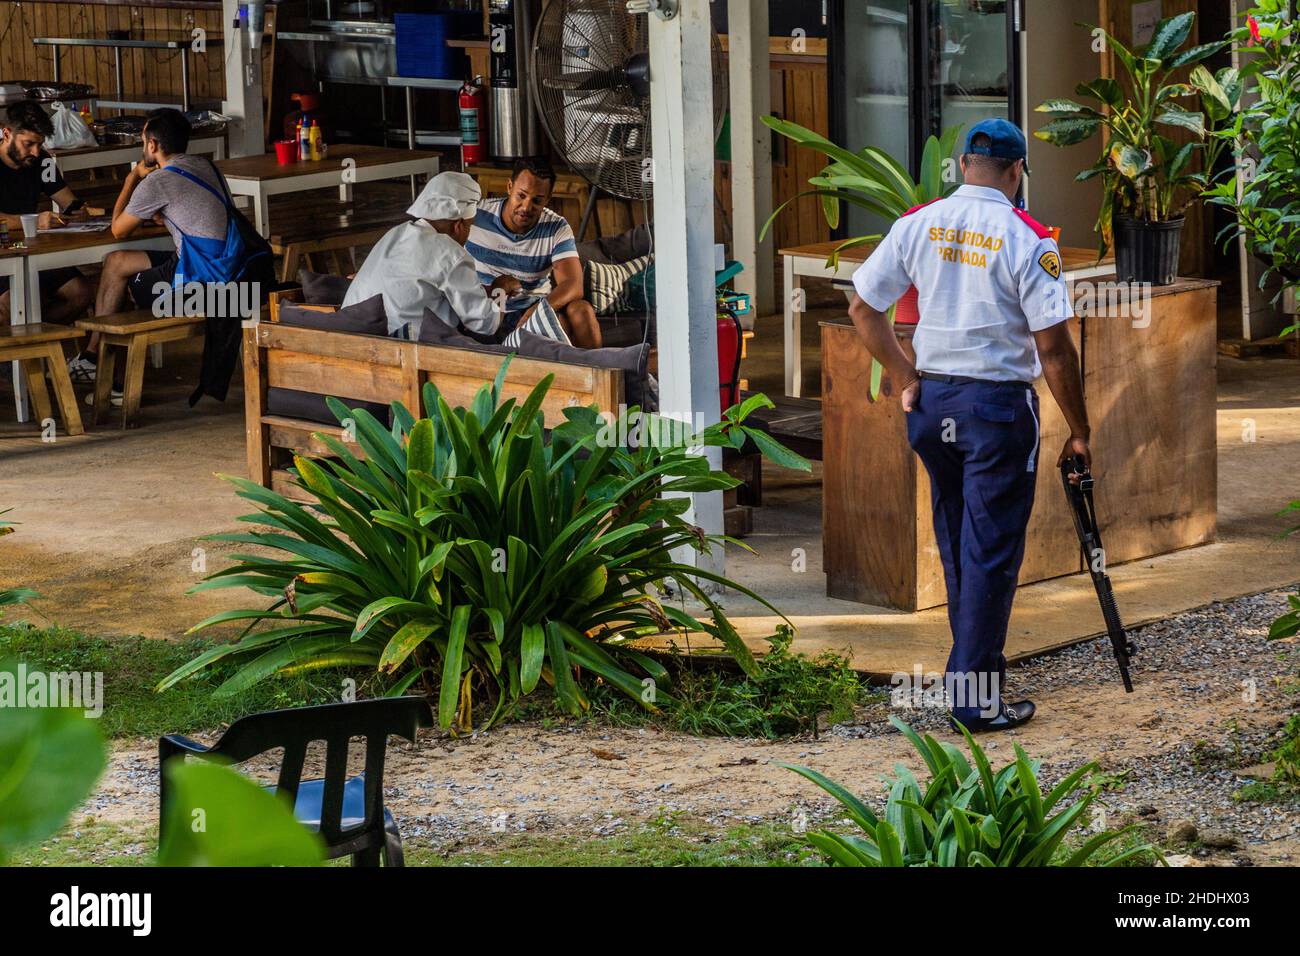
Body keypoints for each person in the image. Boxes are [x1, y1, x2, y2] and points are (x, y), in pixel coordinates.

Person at [848, 118, 1091, 733]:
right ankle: (975, 699)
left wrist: (904, 375)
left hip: (933, 409)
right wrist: (1080, 429)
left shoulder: (918, 223)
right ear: (1016, 171)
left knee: (960, 543)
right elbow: (1054, 349)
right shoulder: (1028, 237)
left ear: (962, 166)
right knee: (990, 552)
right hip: (996, 412)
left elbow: (862, 307)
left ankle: (970, 678)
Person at [97, 107, 271, 406]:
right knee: (117, 262)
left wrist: (132, 177)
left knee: (126, 284)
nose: (143, 146)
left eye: (143, 141)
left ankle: (113, 381)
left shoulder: (157, 181)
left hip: (203, 284)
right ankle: (93, 356)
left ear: (153, 145)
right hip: (233, 269)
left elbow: (117, 230)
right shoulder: (206, 166)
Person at [466, 158, 602, 348]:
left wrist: (537, 310)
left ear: (548, 199)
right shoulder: (475, 215)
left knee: (581, 310)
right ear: (509, 187)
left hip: (531, 310)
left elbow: (573, 285)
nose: (526, 207)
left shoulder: (557, 227)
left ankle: (594, 366)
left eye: (537, 200)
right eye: (521, 195)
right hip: (486, 309)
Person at [0, 100, 96, 330]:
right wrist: (34, 221)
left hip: (32, 251)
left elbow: (68, 200)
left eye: (40, 144)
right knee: (9, 304)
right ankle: (27, 347)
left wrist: (78, 210)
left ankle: (39, 340)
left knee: (81, 293)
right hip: (4, 256)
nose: (35, 151)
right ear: (7, 134)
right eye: (28, 144)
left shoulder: (42, 161)